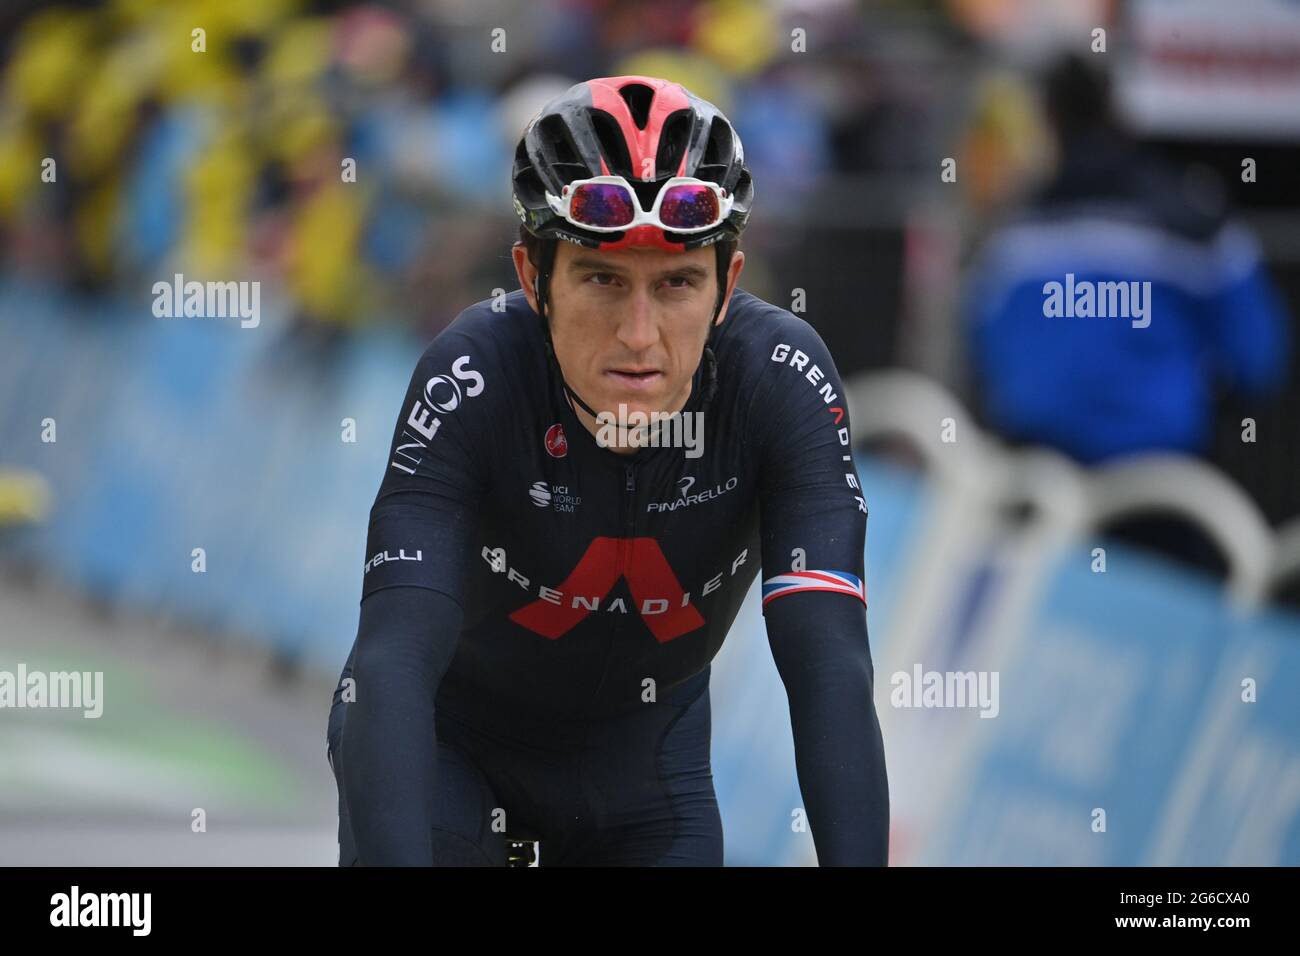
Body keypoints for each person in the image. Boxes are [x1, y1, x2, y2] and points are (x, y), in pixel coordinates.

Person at [326, 75, 889, 866]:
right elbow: (391, 661)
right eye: (601, 279)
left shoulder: (781, 380)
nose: (638, 335)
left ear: (728, 286)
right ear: (533, 281)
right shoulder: (474, 373)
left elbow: (829, 666)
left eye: (677, 283)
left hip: (643, 777)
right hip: (448, 749)